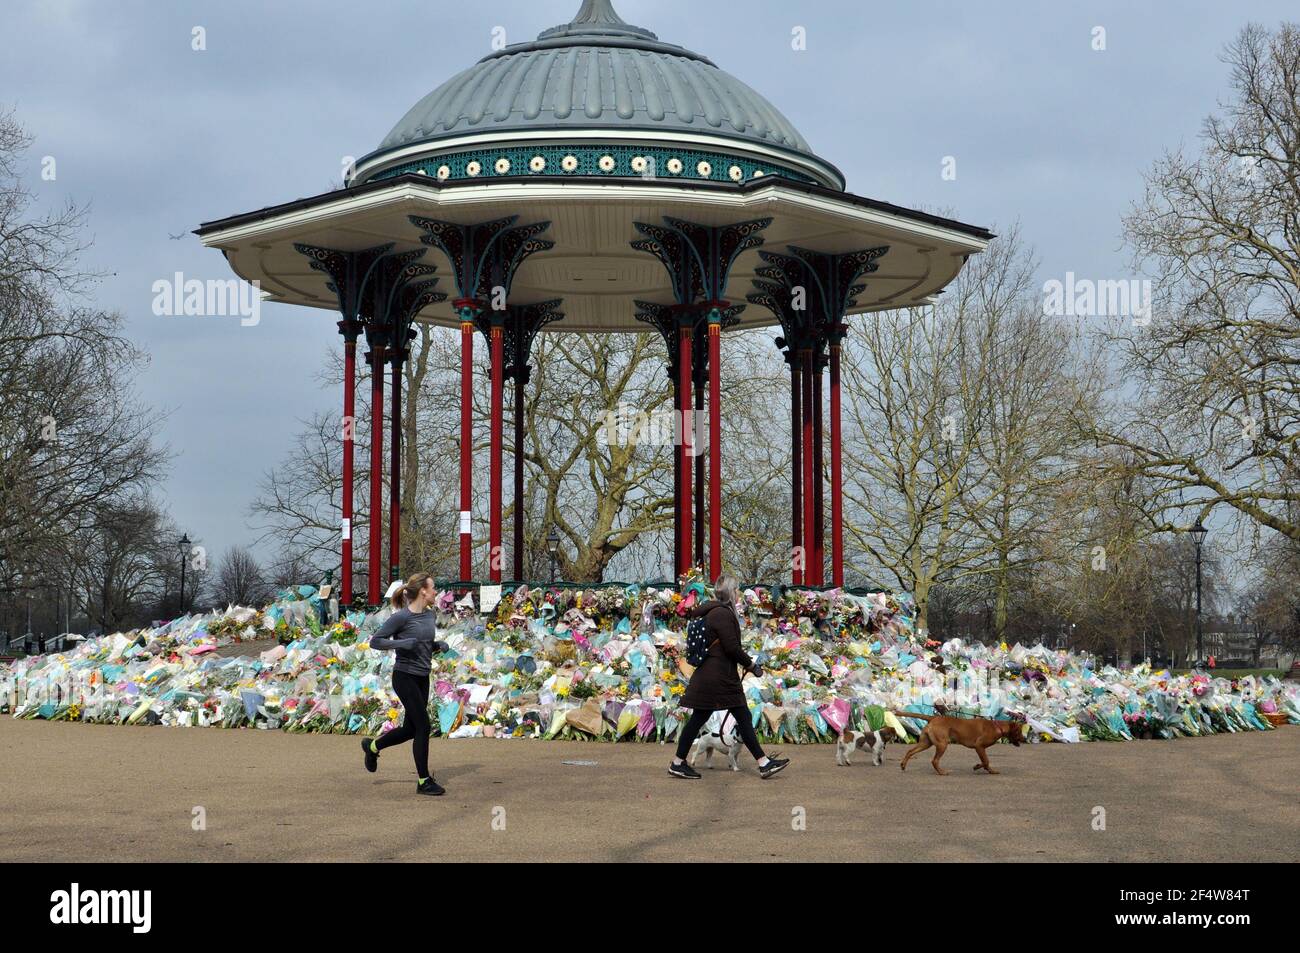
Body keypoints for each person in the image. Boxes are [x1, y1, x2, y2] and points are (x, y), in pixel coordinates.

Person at [669, 574, 789, 780]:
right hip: (720, 677)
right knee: (741, 716)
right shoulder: (722, 614)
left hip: (711, 675)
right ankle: (763, 763)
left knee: (701, 718)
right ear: (730, 592)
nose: (738, 593)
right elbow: (732, 647)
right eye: (737, 590)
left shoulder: (712, 612)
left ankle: (678, 762)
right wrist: (751, 665)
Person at [361, 572, 449, 796]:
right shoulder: (401, 617)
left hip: (422, 676)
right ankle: (423, 781)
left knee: (411, 729)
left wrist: (437, 645)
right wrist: (402, 643)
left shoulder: (429, 616)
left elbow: (423, 643)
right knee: (424, 726)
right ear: (423, 591)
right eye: (433, 588)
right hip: (404, 676)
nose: (436, 592)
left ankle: (372, 747)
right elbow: (375, 641)